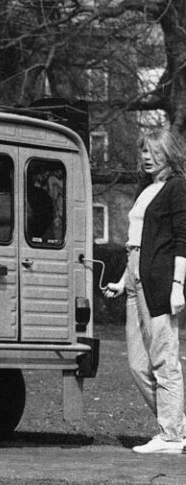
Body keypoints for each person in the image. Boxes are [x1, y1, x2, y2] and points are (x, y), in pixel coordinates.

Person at [103, 128, 186, 454]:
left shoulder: (177, 187)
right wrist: (123, 280)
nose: (146, 157)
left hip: (160, 280)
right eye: (143, 152)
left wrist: (178, 286)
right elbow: (136, 241)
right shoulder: (146, 188)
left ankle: (170, 436)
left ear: (169, 153)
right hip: (136, 277)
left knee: (164, 360)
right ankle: (178, 426)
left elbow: (182, 240)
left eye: (153, 152)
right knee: (138, 365)